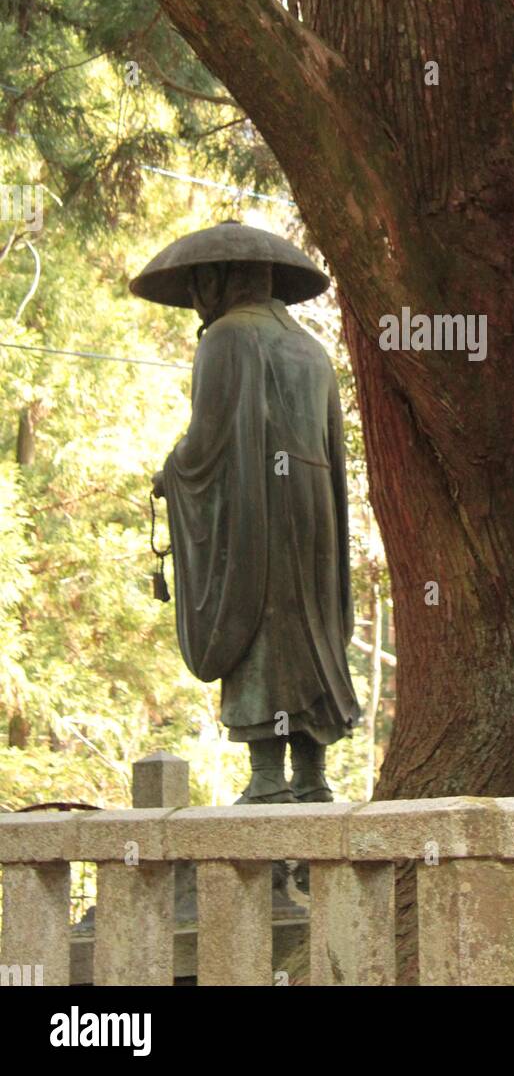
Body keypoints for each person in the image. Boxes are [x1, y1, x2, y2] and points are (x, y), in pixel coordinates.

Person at [131, 221, 361, 803]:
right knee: (312, 627)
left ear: (217, 278)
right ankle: (311, 774)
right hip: (316, 512)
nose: (196, 302)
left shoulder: (229, 338)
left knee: (260, 616)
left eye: (200, 285)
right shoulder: (312, 348)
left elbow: (207, 442)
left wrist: (172, 473)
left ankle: (265, 775)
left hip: (260, 506)